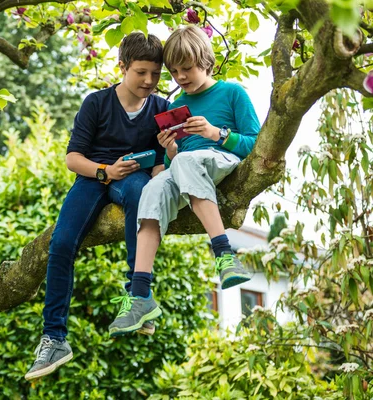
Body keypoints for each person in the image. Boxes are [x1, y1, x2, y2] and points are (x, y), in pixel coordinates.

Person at [25, 32, 169, 380]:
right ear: (122, 67)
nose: (149, 81)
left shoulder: (162, 109)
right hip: (93, 177)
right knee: (60, 244)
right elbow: (73, 158)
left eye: (155, 73)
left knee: (143, 195)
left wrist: (168, 155)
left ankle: (139, 296)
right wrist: (105, 170)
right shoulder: (96, 103)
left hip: (135, 177)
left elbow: (162, 166)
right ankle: (54, 338)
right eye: (140, 72)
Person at [108, 25, 261, 337]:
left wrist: (216, 133)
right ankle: (140, 294)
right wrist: (170, 149)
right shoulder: (175, 106)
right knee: (151, 189)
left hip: (221, 160)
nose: (180, 77)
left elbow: (256, 145)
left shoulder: (233, 93)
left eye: (187, 68)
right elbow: (173, 163)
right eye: (174, 71)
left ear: (206, 60)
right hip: (185, 167)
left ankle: (224, 254)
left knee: (188, 162)